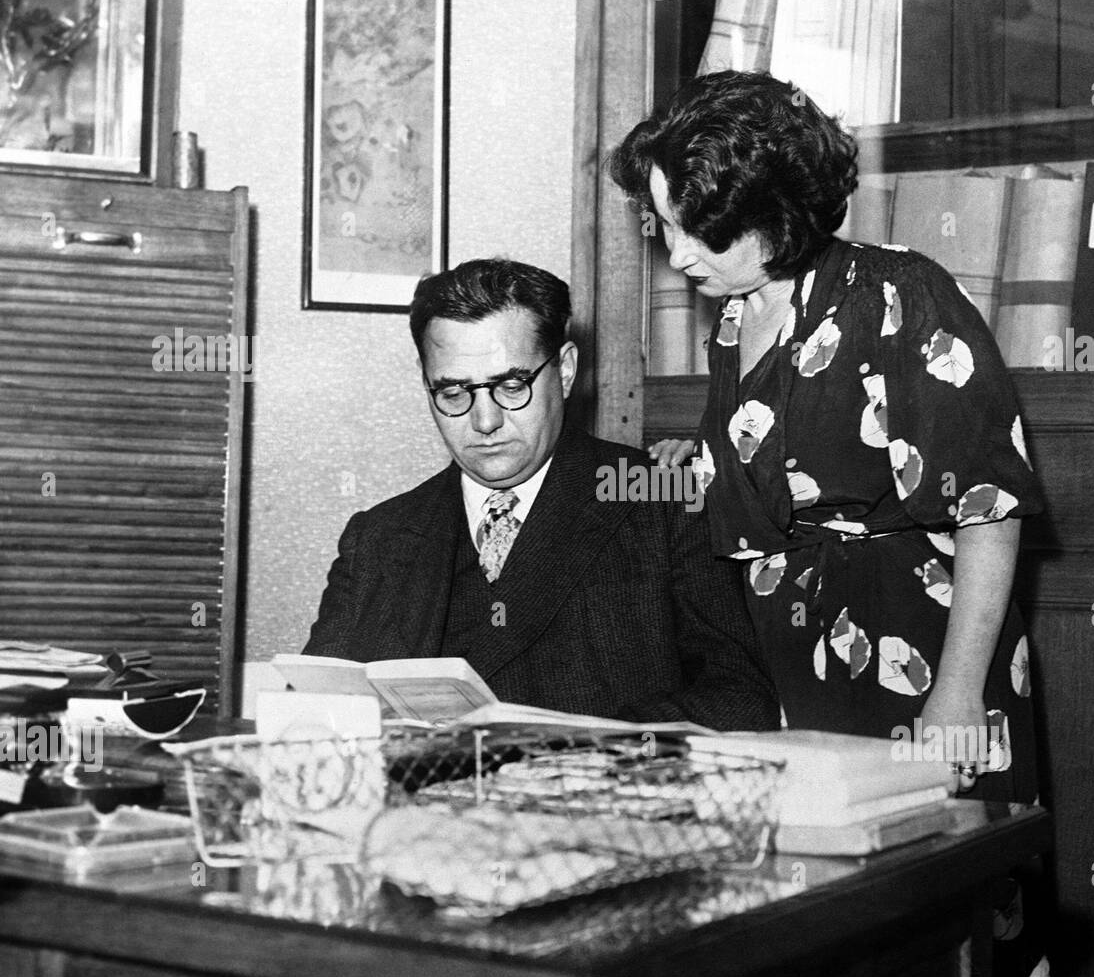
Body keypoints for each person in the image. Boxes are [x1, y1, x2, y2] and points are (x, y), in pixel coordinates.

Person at [611, 71, 1046, 801]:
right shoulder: (734, 317)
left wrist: (958, 694)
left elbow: (988, 509)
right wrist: (702, 463)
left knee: (929, 889)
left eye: (704, 231)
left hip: (921, 652)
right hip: (787, 657)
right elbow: (785, 460)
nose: (679, 255)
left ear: (776, 214)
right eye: (668, 225)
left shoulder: (900, 294)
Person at [304, 257, 780, 732]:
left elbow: (740, 698)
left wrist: (568, 746)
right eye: (453, 394)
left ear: (566, 370)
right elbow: (317, 710)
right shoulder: (377, 539)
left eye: (512, 386)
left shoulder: (663, 499)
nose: (485, 422)